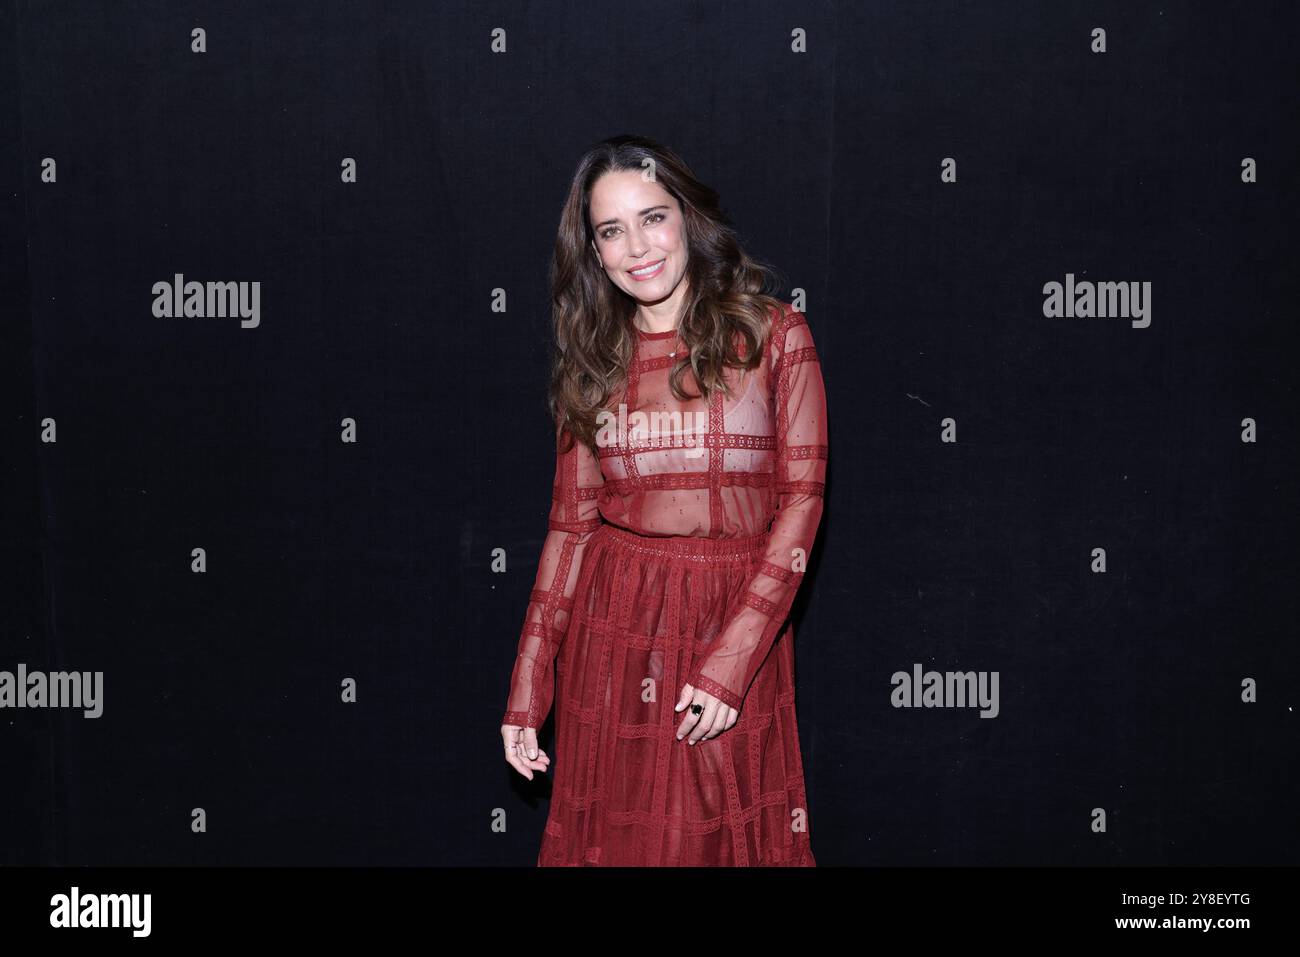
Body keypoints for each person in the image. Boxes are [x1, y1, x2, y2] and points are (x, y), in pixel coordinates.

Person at [500, 134, 828, 866]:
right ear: (593, 251)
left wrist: (730, 663)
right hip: (615, 627)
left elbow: (801, 503)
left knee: (721, 838)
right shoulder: (592, 361)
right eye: (611, 230)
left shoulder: (775, 336)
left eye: (652, 217)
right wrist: (530, 683)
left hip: (734, 618)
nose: (637, 246)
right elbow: (569, 530)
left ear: (687, 219)